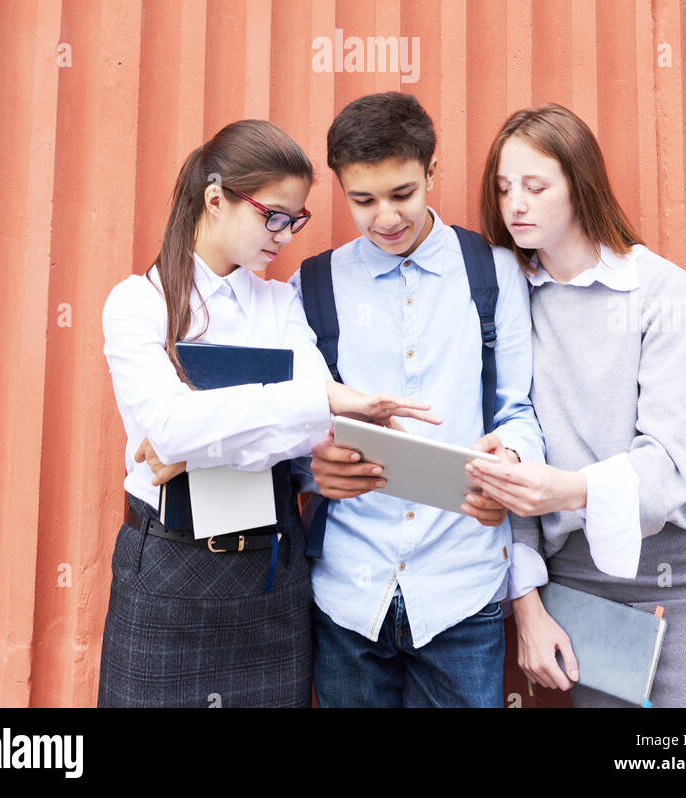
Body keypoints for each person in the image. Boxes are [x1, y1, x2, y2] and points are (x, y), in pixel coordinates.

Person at [97, 119, 437, 709]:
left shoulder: (282, 304)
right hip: (168, 573)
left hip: (271, 578)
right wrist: (314, 403)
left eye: (295, 219)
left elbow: (311, 439)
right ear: (214, 199)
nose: (284, 235)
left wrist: (201, 446)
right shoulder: (138, 304)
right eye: (272, 215)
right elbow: (174, 427)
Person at [464, 103, 686, 708]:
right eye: (503, 188)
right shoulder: (507, 301)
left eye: (535, 186)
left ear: (580, 184)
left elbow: (668, 463)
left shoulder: (659, 288)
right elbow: (512, 453)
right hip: (580, 586)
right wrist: (527, 609)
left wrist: (567, 489)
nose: (514, 204)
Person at [293, 91, 545, 709]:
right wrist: (311, 468)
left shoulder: (495, 272)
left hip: (461, 587)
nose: (385, 218)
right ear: (339, 187)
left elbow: (519, 411)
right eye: (363, 200)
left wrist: (507, 464)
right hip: (348, 593)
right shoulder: (313, 284)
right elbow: (297, 424)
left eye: (402, 194)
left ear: (433, 173)